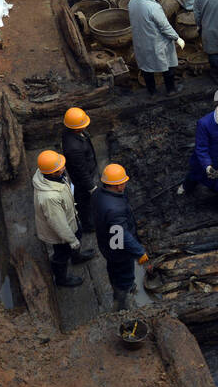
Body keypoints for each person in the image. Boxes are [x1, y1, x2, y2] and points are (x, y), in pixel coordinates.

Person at [32, 150, 95, 288]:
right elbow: (58, 224)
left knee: (77, 234)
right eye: (60, 168)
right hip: (60, 233)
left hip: (70, 219)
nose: (64, 168)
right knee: (61, 255)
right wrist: (71, 241)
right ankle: (61, 279)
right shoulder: (50, 197)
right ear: (51, 172)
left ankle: (76, 257)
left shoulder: (52, 175)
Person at [92, 163, 149, 310]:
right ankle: (121, 302)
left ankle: (121, 283)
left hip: (106, 241)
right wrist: (139, 252)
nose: (125, 184)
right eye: (123, 182)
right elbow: (120, 235)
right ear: (117, 186)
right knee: (123, 272)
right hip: (117, 249)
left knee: (114, 268)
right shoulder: (115, 209)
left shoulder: (99, 193)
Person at [128, 0, 185, 95]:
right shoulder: (153, 7)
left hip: (140, 42)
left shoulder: (132, 2)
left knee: (146, 68)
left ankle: (152, 93)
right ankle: (171, 90)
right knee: (168, 65)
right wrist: (177, 38)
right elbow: (165, 27)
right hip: (156, 43)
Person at [61, 107, 97, 232]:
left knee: (86, 201)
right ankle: (89, 226)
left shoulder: (70, 131)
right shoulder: (73, 148)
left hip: (85, 170)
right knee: (85, 203)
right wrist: (91, 187)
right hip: (83, 180)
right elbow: (81, 171)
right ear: (76, 128)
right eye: (83, 125)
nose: (86, 126)